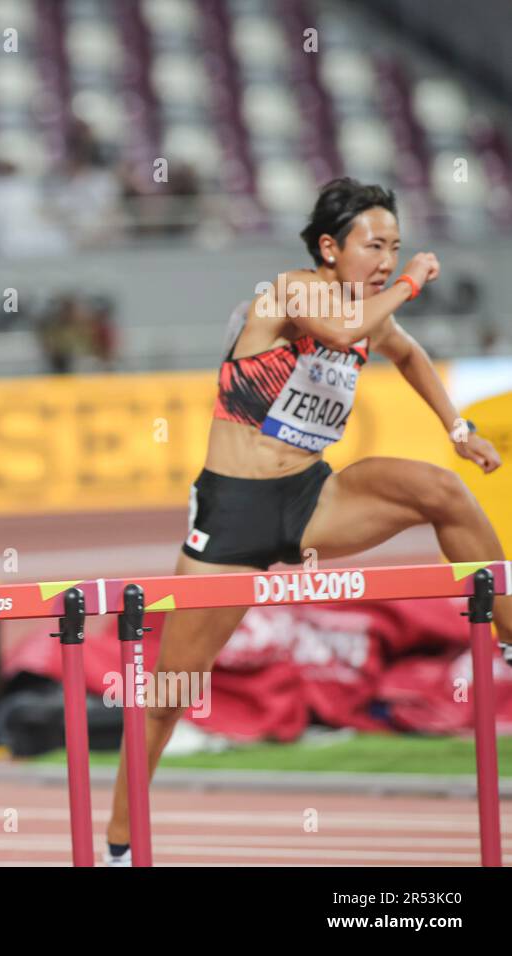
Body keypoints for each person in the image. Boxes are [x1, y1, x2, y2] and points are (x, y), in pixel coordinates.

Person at [105, 177, 512, 866]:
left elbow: (406, 353)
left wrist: (458, 426)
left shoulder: (367, 309)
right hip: (232, 516)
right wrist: (412, 282)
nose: (386, 258)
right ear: (330, 246)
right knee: (172, 694)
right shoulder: (292, 291)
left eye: (397, 247)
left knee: (445, 492)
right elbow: (354, 327)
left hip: (312, 499)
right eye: (373, 245)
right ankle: (117, 845)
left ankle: (511, 640)